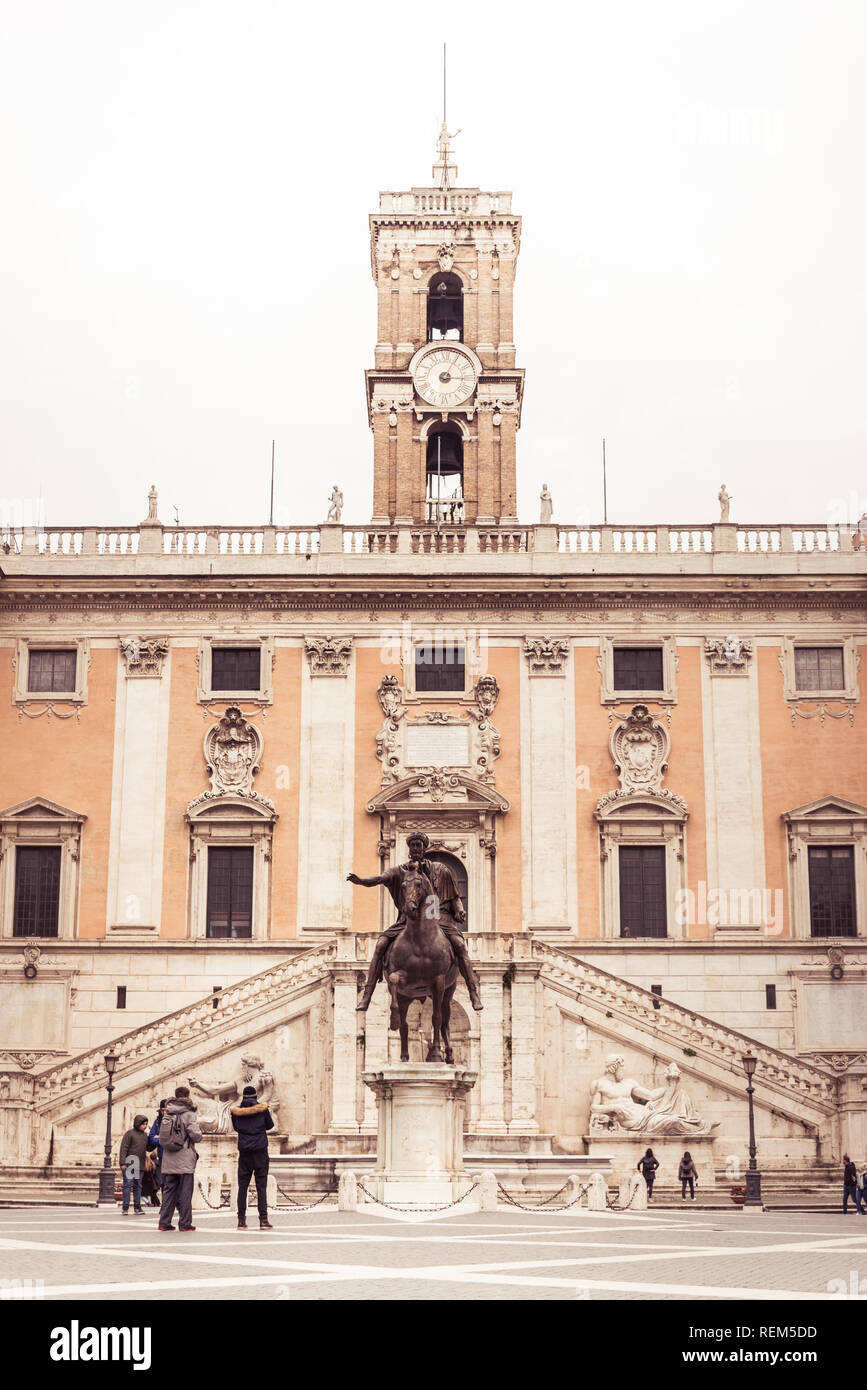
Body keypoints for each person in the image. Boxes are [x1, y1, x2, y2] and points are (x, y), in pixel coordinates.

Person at [349, 831, 482, 1012]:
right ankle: (367, 995)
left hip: (440, 918)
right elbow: (381, 878)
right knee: (380, 945)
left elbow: (455, 896)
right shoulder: (401, 871)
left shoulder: (442, 870)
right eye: (413, 845)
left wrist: (459, 910)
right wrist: (362, 881)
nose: (416, 848)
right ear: (409, 848)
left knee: (459, 945)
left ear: (424, 847)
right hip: (408, 920)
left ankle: (473, 993)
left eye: (419, 845)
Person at [230, 1084, 275, 1231]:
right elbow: (270, 1125)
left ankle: (241, 1221)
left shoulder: (237, 1112)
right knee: (261, 1187)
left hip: (244, 1152)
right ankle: (263, 1220)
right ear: (256, 1096)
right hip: (260, 1151)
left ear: (243, 1096)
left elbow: (236, 1128)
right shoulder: (262, 1110)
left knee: (242, 1187)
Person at [158, 1086, 203, 1232]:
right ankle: (185, 1224)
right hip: (184, 1159)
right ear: (188, 1097)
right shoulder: (189, 1114)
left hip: (169, 1158)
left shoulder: (167, 1113)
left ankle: (164, 1222)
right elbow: (196, 1135)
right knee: (185, 1193)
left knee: (169, 1191)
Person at [118, 1114, 156, 1216]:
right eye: (143, 1124)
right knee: (127, 1185)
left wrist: (155, 1141)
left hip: (140, 1165)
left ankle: (137, 1208)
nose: (145, 1126)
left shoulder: (145, 1136)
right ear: (138, 1123)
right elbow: (124, 1148)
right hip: (130, 1163)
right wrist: (122, 1162)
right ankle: (125, 1208)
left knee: (138, 1186)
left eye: (146, 1124)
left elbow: (148, 1148)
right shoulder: (129, 1134)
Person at [147, 1099, 168, 1203]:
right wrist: (161, 1139)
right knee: (162, 1182)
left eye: (166, 1110)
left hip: (172, 1156)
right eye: (162, 1110)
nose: (164, 1113)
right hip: (162, 1156)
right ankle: (165, 1204)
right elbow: (151, 1137)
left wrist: (159, 1138)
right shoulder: (157, 1121)